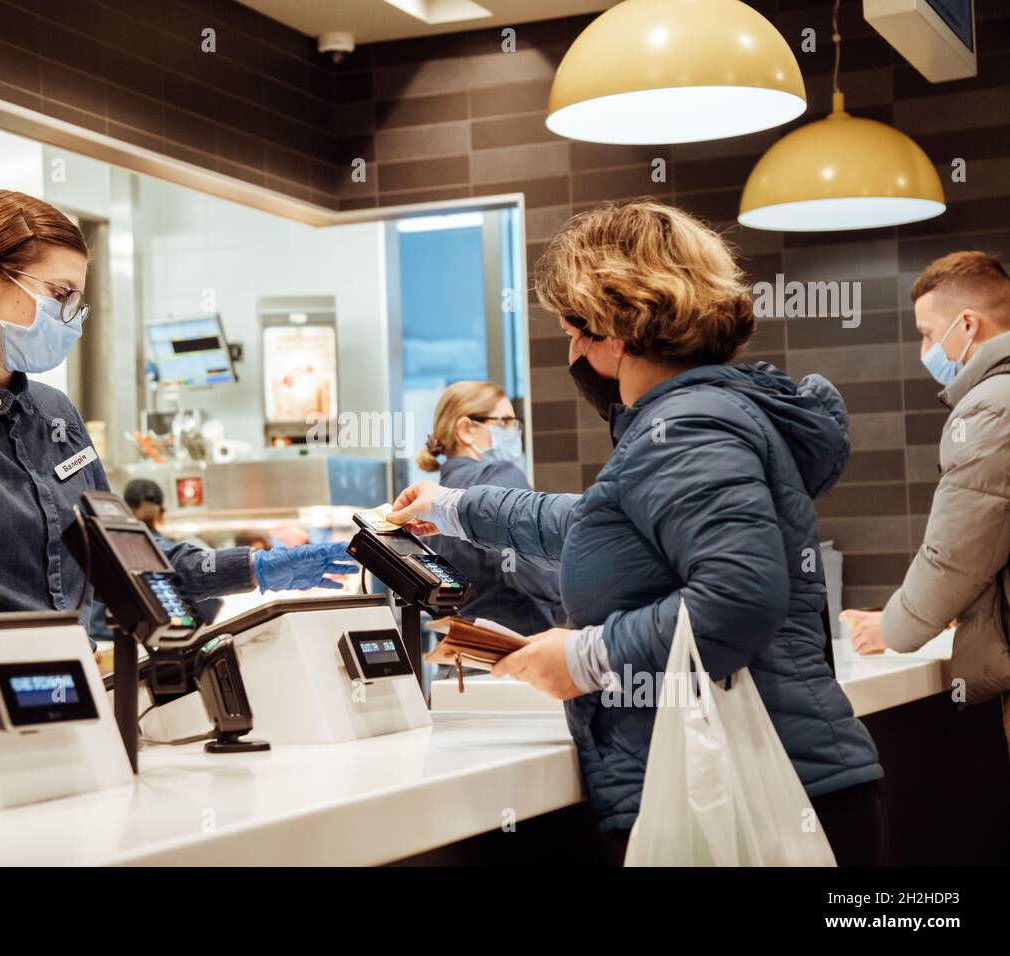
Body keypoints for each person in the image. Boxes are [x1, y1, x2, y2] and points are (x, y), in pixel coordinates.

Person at [389, 200, 887, 865]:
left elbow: (739, 597)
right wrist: (452, 506)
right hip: (787, 785)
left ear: (615, 330)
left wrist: (582, 658)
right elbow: (596, 525)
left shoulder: (684, 427)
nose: (569, 351)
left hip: (762, 797)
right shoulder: (698, 416)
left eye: (574, 330)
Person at [0, 190, 356, 644]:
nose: (71, 317)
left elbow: (128, 553)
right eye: (60, 295)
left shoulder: (55, 415)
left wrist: (252, 569)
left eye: (78, 300)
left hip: (76, 695)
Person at [842, 252, 1010, 745]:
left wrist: (892, 628)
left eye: (927, 333)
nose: (925, 350)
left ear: (967, 324)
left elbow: (956, 557)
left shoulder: (991, 406)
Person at [415, 381, 561, 636]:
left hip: (455, 659)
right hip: (510, 657)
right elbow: (534, 568)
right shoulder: (497, 476)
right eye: (504, 422)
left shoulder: (436, 496)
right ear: (465, 429)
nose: (514, 433)